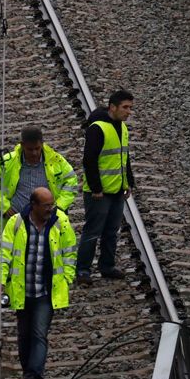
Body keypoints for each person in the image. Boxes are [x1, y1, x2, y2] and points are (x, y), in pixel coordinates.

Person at [0, 186, 76, 379]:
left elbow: (70, 253)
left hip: (46, 293)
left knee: (39, 334)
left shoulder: (61, 222)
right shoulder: (16, 223)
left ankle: (35, 378)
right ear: (33, 205)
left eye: (52, 205)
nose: (50, 209)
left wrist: (67, 278)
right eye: (46, 205)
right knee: (24, 335)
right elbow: (3, 254)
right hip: (23, 291)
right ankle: (28, 373)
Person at [75, 89, 134, 284]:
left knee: (111, 231)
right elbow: (89, 160)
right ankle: (83, 270)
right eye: (125, 107)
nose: (129, 112)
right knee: (92, 232)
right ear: (113, 107)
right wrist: (96, 188)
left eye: (130, 108)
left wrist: (128, 182)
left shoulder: (122, 127)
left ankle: (107, 266)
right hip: (99, 193)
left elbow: (124, 157)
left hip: (116, 190)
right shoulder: (97, 128)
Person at [0, 127, 79, 231]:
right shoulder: (7, 162)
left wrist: (59, 206)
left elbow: (71, 181)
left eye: (37, 148)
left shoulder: (56, 161)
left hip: (47, 222)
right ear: (22, 145)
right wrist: (4, 206)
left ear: (42, 144)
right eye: (30, 149)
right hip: (15, 223)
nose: (34, 153)